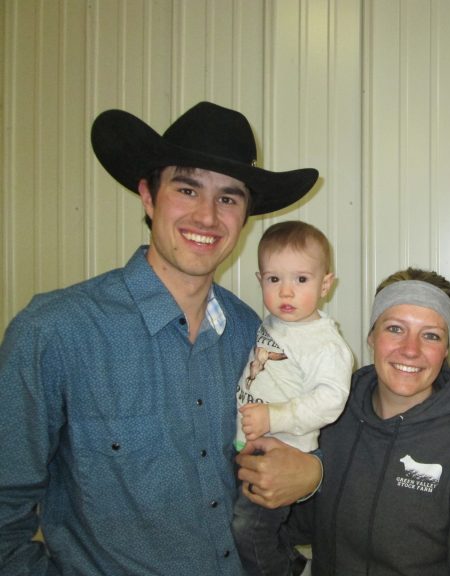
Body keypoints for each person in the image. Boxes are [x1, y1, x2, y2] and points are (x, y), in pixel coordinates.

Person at [0, 101, 324, 575]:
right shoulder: (55, 333)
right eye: (187, 188)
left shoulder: (251, 336)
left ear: (244, 217)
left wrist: (312, 474)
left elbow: (275, 467)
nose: (208, 216)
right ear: (148, 196)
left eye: (229, 198)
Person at [288, 267, 450, 575]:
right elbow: (294, 526)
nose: (410, 350)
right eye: (395, 329)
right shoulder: (328, 420)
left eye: (431, 335)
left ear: (446, 350)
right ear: (371, 336)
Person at [232, 220, 354, 575]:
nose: (286, 292)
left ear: (325, 284)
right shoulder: (272, 323)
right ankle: (288, 559)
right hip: (247, 445)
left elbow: (331, 399)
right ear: (260, 281)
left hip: (283, 453)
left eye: (301, 280)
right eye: (274, 279)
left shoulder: (325, 343)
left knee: (248, 529)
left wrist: (275, 417)